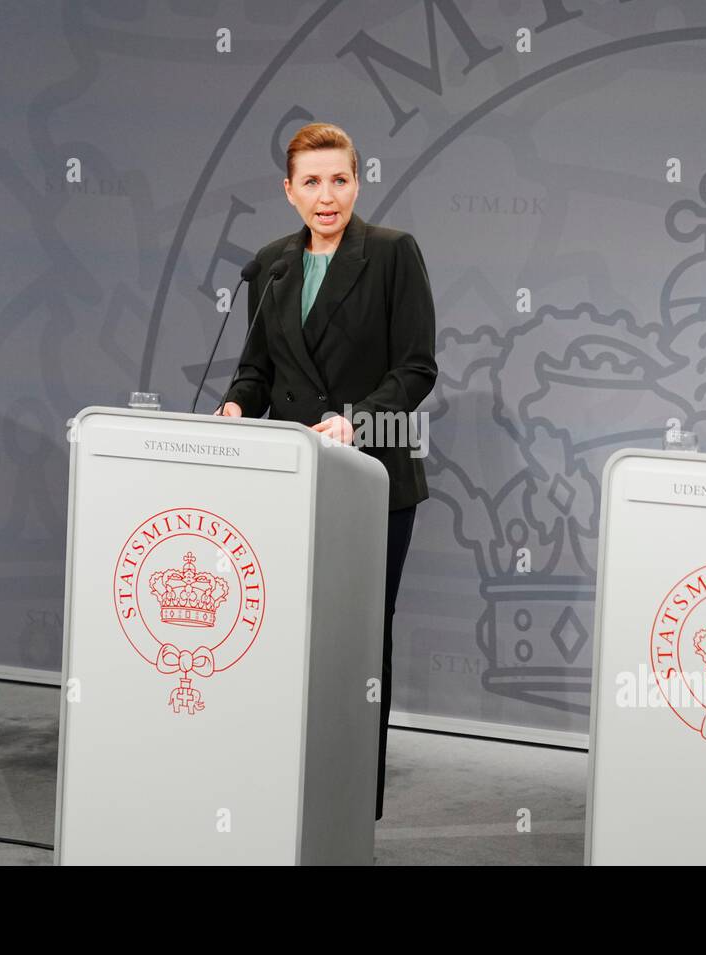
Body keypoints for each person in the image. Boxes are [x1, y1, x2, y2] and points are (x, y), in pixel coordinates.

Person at [217, 122, 437, 819]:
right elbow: (257, 371)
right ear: (289, 192)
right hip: (288, 481)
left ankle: (349, 800)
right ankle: (280, 783)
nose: (327, 194)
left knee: (357, 635)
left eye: (339, 179)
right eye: (311, 181)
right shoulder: (272, 264)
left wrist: (357, 419)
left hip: (369, 476)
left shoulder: (394, 254)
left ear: (357, 181)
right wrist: (232, 405)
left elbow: (416, 367)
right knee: (282, 631)